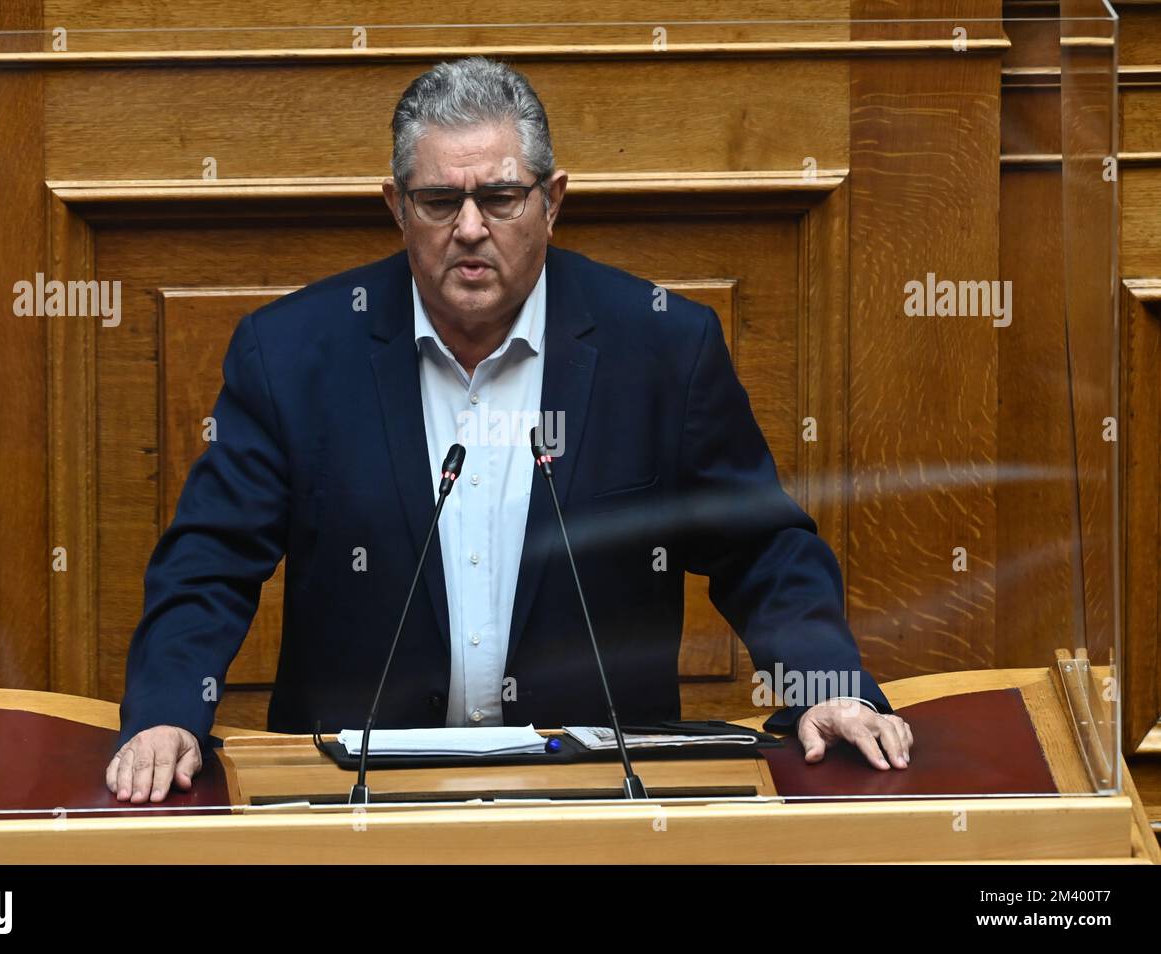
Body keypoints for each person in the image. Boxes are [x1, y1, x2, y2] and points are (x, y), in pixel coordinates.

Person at [107, 56, 912, 804]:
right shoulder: (292, 354)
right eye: (437, 201)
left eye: (498, 198)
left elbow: (762, 548)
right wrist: (169, 711)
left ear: (551, 201)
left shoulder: (663, 347)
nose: (468, 228)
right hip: (355, 801)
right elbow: (208, 563)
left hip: (595, 796)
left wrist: (826, 683)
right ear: (397, 208)